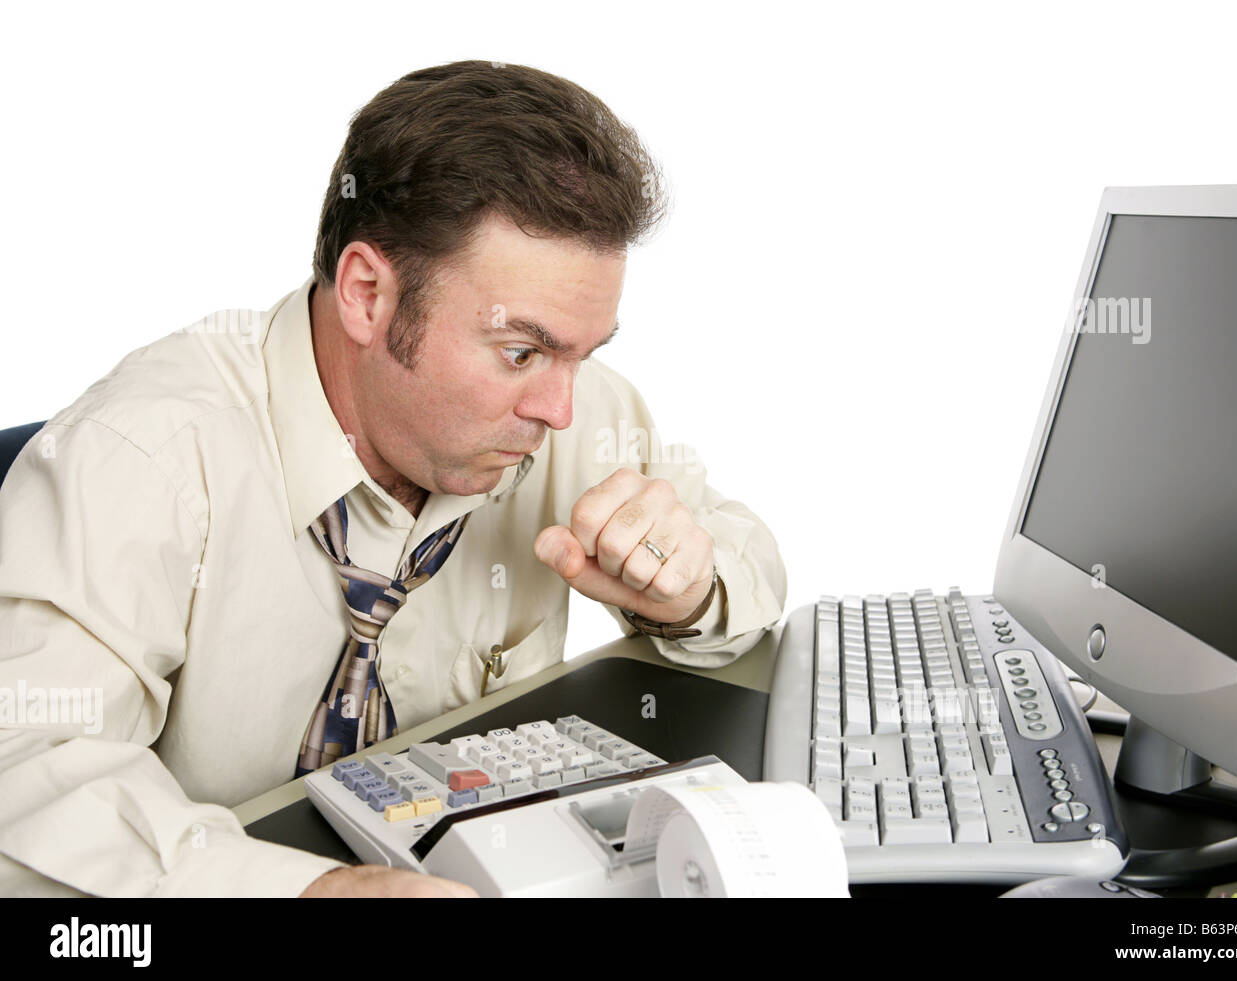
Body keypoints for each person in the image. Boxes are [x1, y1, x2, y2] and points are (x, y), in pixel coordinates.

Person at [0, 61, 786, 897]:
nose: (559, 407)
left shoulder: (571, 409)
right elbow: (25, 766)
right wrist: (309, 893)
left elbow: (741, 557)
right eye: (521, 351)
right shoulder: (142, 456)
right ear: (368, 295)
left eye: (582, 353)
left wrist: (690, 591)